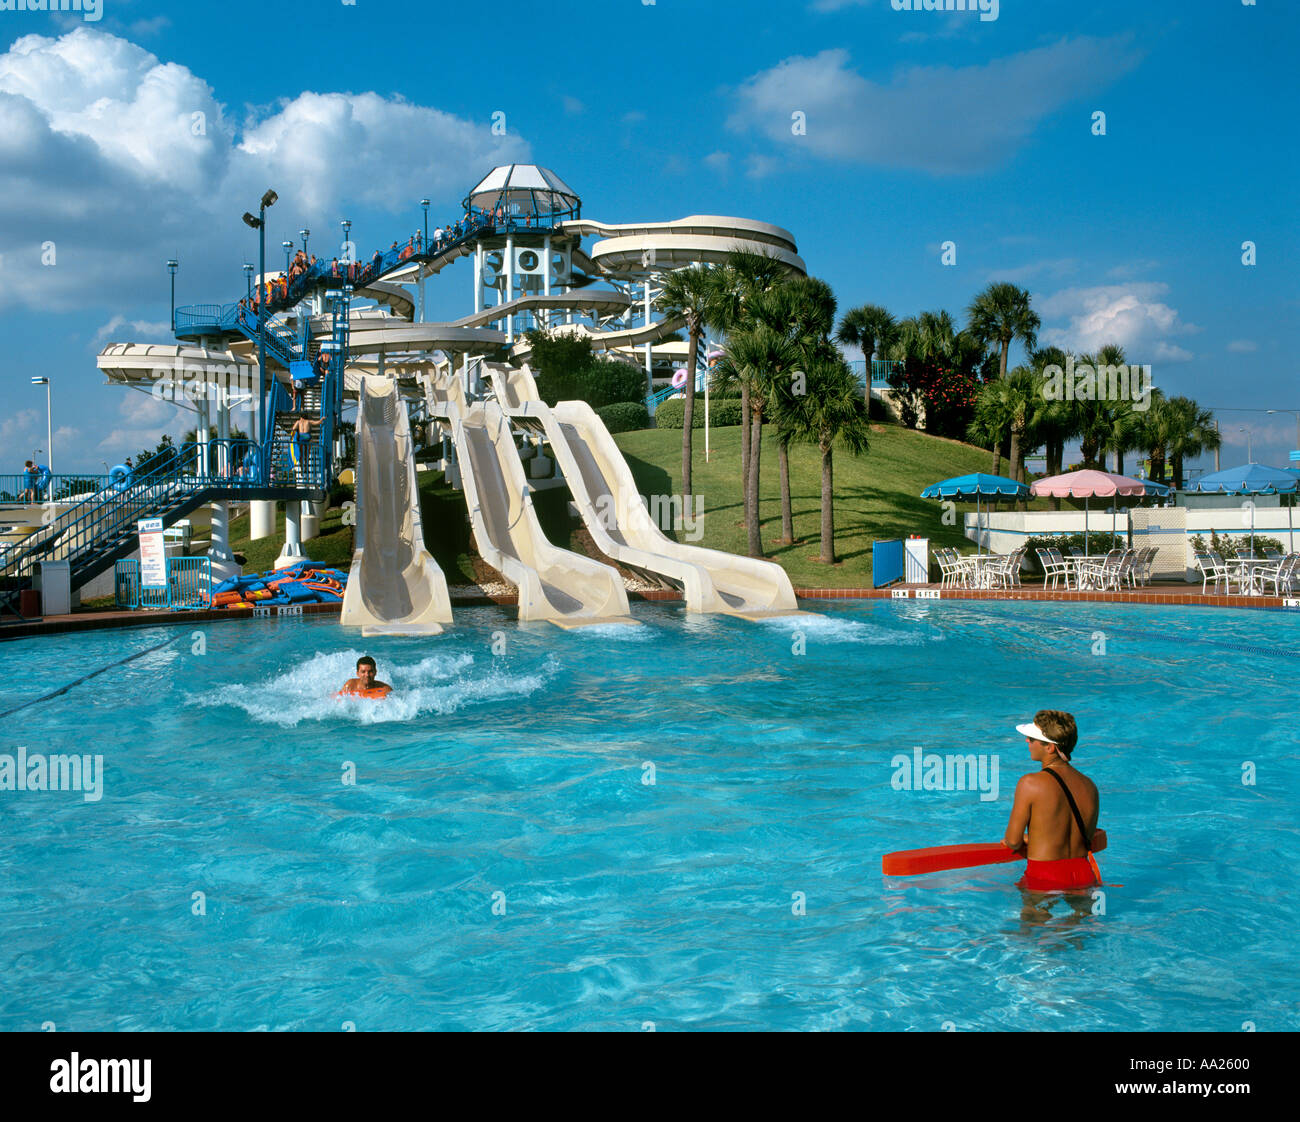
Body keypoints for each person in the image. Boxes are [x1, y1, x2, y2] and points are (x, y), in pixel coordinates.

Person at [1002, 710, 1102, 895]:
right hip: (1082, 874)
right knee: (1081, 924)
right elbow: (1076, 838)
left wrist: (1024, 839)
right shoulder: (1090, 786)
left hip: (1045, 876)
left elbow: (1013, 841)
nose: (1027, 741)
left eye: (1032, 739)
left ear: (1050, 748)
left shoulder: (1030, 783)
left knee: (1033, 923)